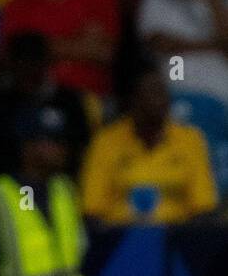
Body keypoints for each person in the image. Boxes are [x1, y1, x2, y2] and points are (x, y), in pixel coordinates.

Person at [0, 106, 89, 276]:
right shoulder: (2, 194)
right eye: (52, 141)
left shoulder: (64, 189)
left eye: (62, 141)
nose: (61, 149)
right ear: (28, 146)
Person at [80, 63, 219, 224]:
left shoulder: (190, 139)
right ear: (133, 100)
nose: (161, 100)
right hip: (120, 237)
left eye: (162, 92)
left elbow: (204, 206)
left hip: (176, 237)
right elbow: (92, 209)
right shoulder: (106, 140)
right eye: (151, 93)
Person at [0, 30, 91, 185]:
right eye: (23, 62)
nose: (29, 69)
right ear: (10, 64)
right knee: (25, 200)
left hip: (54, 185)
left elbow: (81, 152)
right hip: (1, 184)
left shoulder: (67, 100)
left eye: (34, 62)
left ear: (46, 63)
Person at [0, 0, 120, 100]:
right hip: (34, 97)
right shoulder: (18, 3)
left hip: (92, 96)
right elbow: (14, 56)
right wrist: (82, 43)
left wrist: (44, 45)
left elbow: (105, 53)